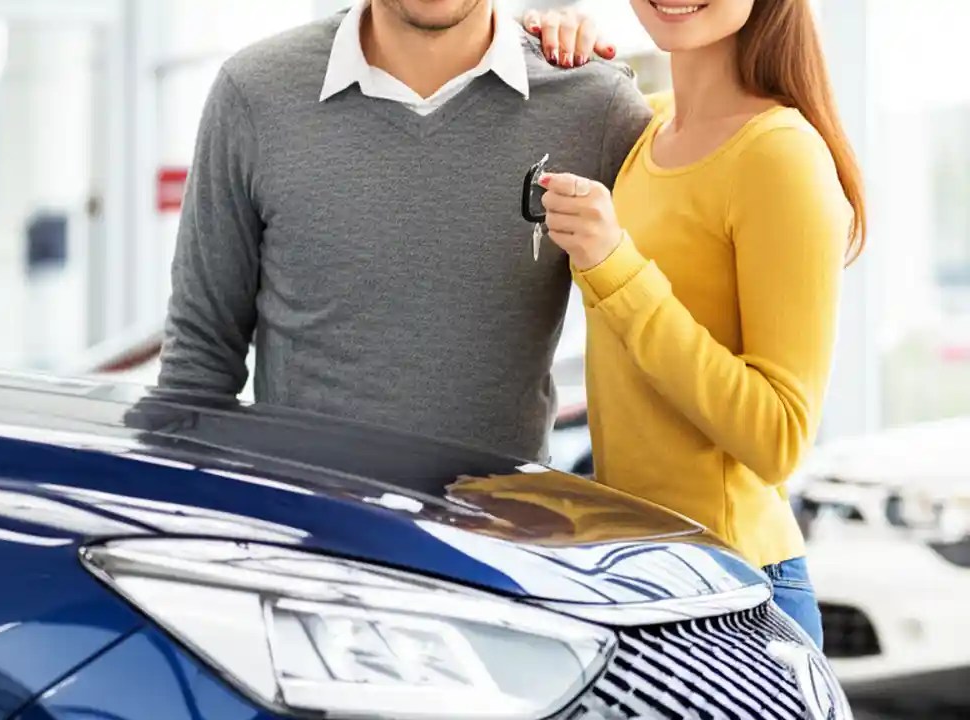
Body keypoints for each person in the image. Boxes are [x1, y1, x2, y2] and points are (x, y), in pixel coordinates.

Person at [157, 0, 651, 462]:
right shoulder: (254, 95)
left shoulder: (595, 105)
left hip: (501, 545)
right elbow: (198, 365)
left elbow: (674, 345)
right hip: (307, 542)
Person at [519, 0, 867, 647]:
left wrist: (616, 265)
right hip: (641, 586)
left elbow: (781, 436)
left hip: (739, 592)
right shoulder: (643, 128)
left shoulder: (780, 153)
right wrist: (538, 47)